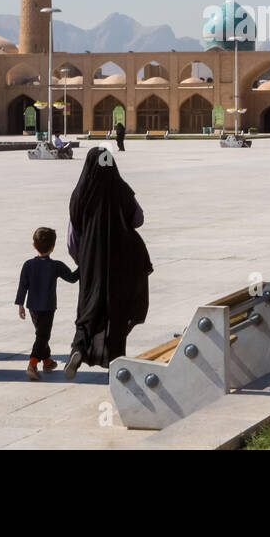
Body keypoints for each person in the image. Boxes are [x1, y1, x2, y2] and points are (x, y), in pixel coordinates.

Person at [65, 147, 152, 379]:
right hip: (123, 261)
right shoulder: (121, 190)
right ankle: (116, 363)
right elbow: (138, 218)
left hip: (91, 261)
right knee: (119, 310)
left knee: (89, 306)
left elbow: (72, 236)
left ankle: (79, 348)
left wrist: (84, 260)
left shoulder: (80, 193)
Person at [16, 227, 79, 379]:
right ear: (53, 247)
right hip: (48, 307)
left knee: (41, 334)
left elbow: (22, 286)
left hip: (33, 307)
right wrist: (84, 265)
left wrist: (20, 305)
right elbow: (72, 278)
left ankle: (48, 361)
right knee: (43, 336)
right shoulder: (56, 265)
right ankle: (32, 364)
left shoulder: (28, 265)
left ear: (34, 245)